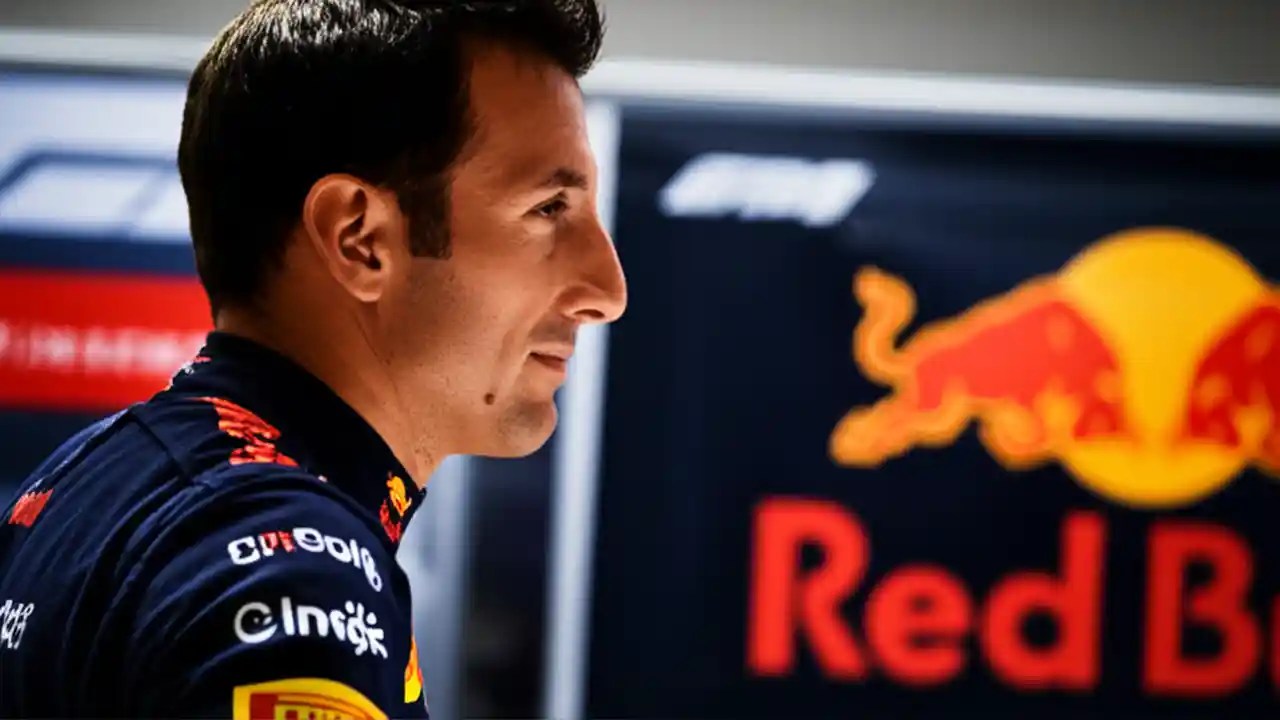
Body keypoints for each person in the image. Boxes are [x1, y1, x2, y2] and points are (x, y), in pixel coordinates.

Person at [0, 0, 625, 716]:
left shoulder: (91, 475)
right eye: (549, 210)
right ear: (359, 238)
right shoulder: (293, 566)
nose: (607, 292)